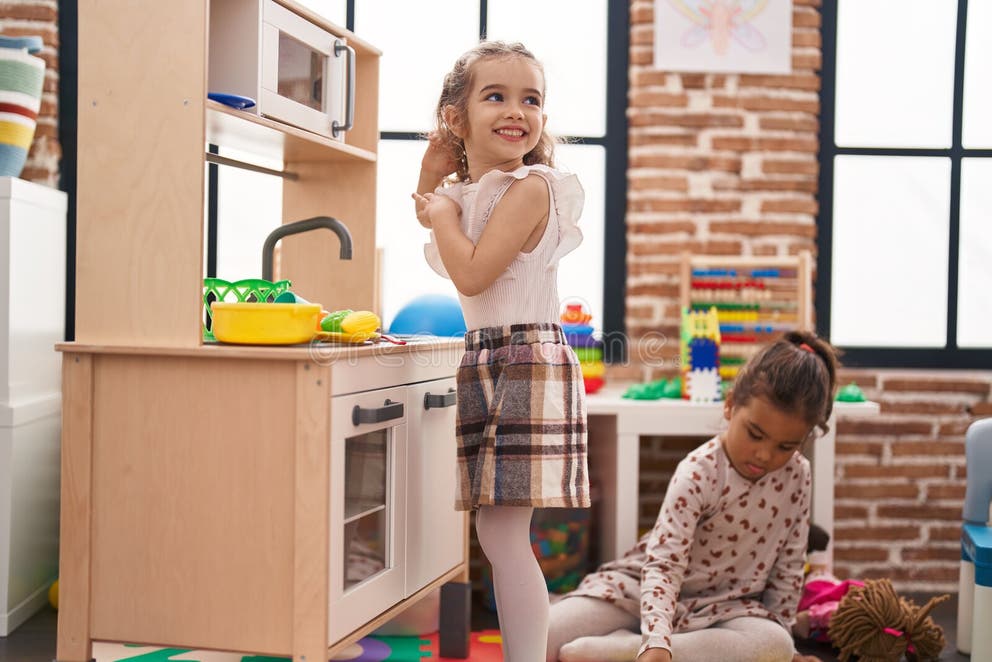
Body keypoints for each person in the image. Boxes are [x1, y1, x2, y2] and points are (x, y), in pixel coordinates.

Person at [412, 41, 589, 662]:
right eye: (496, 96)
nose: (518, 110)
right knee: (499, 530)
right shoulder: (476, 191)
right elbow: (432, 214)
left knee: (505, 531)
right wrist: (433, 177)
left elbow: (473, 273)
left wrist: (437, 204)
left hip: (523, 358)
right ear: (456, 119)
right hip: (493, 357)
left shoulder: (533, 187)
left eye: (531, 99)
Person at [546, 331, 839, 662]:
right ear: (730, 406)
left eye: (786, 446)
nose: (765, 455)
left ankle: (624, 650)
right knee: (542, 635)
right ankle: (648, 645)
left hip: (727, 610)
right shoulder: (700, 471)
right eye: (755, 434)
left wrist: (789, 646)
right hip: (643, 590)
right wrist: (656, 637)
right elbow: (664, 564)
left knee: (776, 645)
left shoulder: (798, 475)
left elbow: (788, 568)